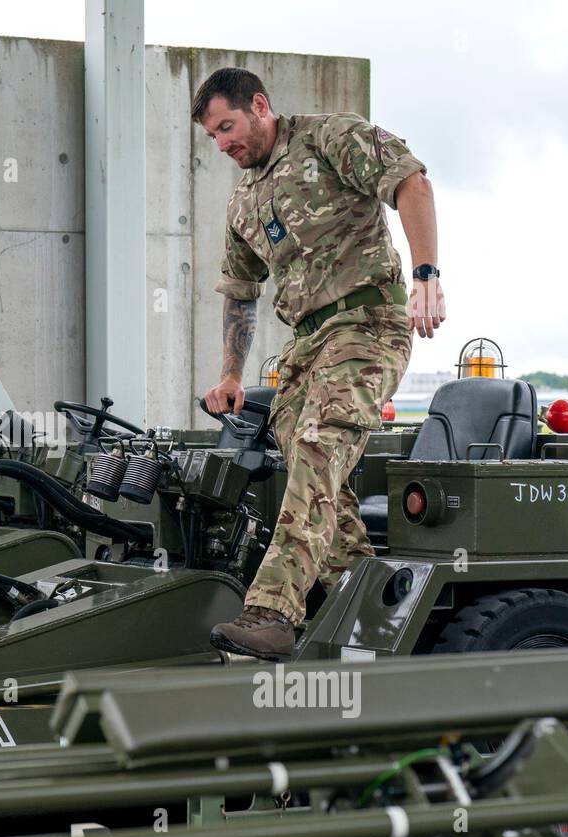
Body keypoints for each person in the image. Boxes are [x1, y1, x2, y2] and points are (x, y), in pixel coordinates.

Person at [194, 67, 444, 660]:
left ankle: (273, 612)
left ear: (260, 105)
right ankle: (380, 613)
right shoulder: (242, 202)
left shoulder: (330, 138)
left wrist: (426, 275)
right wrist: (231, 373)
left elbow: (412, 183)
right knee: (322, 485)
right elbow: (240, 291)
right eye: (213, 138)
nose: (224, 143)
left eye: (228, 126)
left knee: (317, 448)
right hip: (305, 346)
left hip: (367, 324)